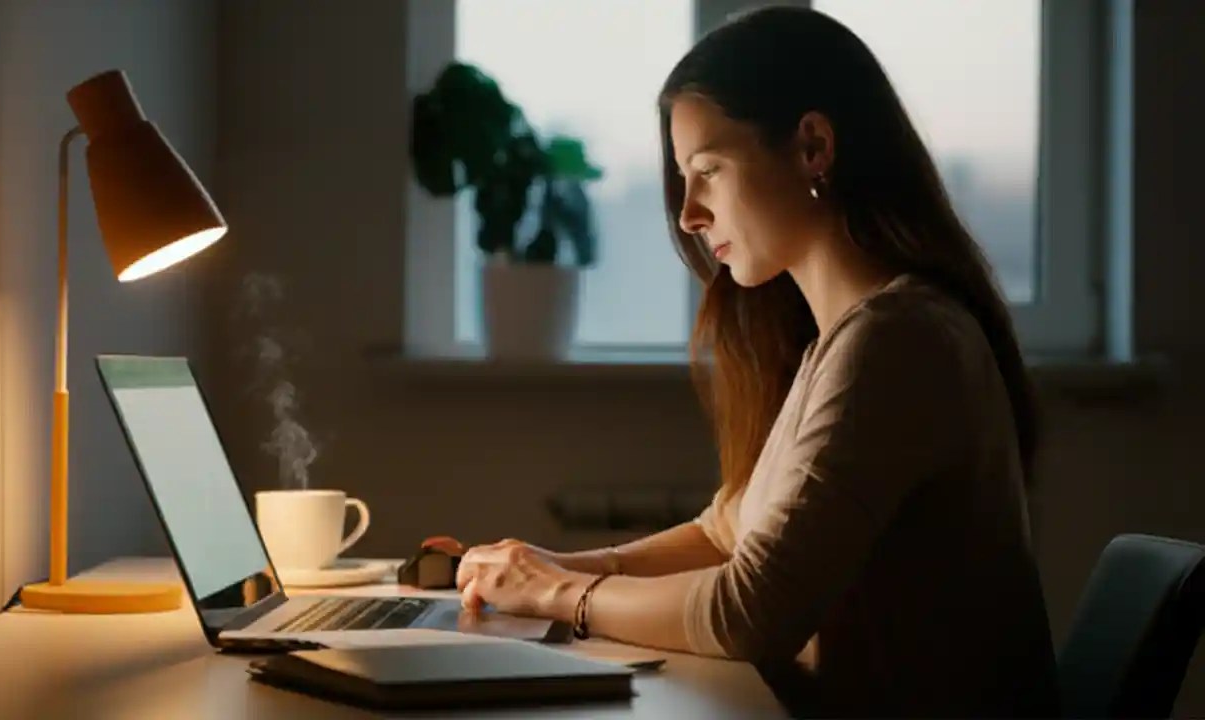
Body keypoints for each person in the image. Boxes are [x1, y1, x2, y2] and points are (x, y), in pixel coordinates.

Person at [454, 6, 1059, 716]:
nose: (688, 214)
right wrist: (550, 566)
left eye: (707, 170)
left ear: (812, 146)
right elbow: (723, 535)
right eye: (684, 178)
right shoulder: (841, 338)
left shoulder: (898, 340)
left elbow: (751, 611)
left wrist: (557, 595)